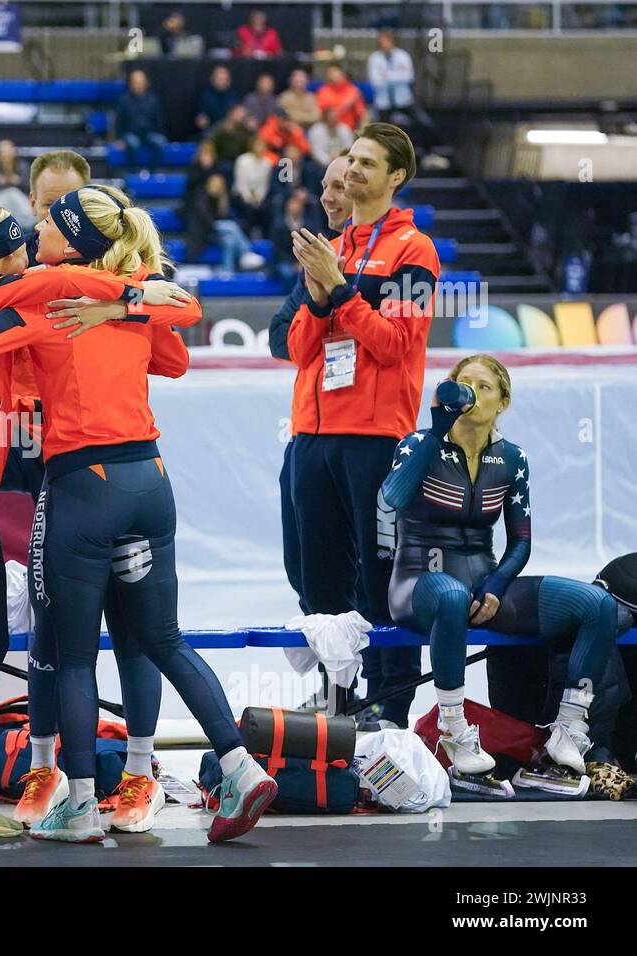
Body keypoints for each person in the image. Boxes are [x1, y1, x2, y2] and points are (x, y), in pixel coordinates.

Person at [0, 186, 278, 844]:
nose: (32, 229)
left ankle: (78, 805)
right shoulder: (127, 283)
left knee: (69, 652)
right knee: (159, 639)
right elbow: (179, 343)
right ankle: (237, 764)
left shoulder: (50, 285)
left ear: (68, 240)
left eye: (44, 221)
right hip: (150, 479)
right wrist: (124, 305)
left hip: (83, 479)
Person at [382, 355, 623, 782]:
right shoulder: (416, 442)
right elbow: (393, 499)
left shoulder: (512, 459)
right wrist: (437, 430)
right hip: (418, 582)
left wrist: (495, 586)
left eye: (484, 387)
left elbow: (521, 542)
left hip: (482, 584)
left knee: (597, 605)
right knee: (452, 597)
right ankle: (453, 728)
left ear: (503, 402)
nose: (472, 394)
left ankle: (568, 729)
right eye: (464, 383)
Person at [283, 124, 438, 729]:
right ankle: (335, 708)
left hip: (375, 438)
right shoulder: (333, 245)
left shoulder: (414, 251)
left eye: (368, 164)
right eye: (352, 163)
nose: (352, 174)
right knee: (320, 586)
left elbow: (396, 343)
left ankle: (389, 716)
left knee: (380, 583)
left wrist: (341, 290)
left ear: (395, 177)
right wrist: (320, 295)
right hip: (312, 434)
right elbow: (299, 347)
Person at [268, 152, 349, 626]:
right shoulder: (320, 255)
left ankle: (371, 690)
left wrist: (332, 309)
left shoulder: (387, 255)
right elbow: (282, 339)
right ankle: (332, 672)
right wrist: (323, 313)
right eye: (324, 185)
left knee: (355, 569)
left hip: (359, 433)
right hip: (308, 431)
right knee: (303, 565)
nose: (326, 196)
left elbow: (386, 342)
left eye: (338, 185)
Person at [181, 140, 257, 271]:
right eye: (214, 185)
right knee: (231, 227)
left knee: (230, 241)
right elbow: (208, 221)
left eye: (219, 186)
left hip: (216, 232)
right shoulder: (202, 197)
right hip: (205, 231)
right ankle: (246, 252)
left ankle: (227, 272)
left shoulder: (222, 199)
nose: (217, 188)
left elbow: (224, 215)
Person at [115, 69, 168, 173]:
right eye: (135, 83)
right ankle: (133, 171)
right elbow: (119, 122)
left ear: (145, 83)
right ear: (130, 84)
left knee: (160, 141)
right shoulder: (123, 100)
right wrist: (119, 139)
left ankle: (153, 171)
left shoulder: (153, 100)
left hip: (149, 134)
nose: (138, 85)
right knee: (133, 143)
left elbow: (159, 121)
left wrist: (159, 133)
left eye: (140, 82)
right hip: (130, 134)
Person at [232, 136, 273, 237]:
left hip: (259, 197)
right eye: (257, 145)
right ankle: (247, 236)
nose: (259, 148)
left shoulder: (267, 163)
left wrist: (259, 198)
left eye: (262, 146)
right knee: (249, 210)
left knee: (266, 208)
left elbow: (264, 184)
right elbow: (241, 183)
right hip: (241, 195)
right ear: (252, 146)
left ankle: (264, 237)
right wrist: (248, 198)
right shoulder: (242, 161)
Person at [367, 29, 415, 116]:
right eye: (382, 42)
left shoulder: (403, 55)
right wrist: (399, 74)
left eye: (387, 41)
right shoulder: (374, 58)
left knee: (423, 124)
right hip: (383, 102)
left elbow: (409, 76)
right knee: (383, 127)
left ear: (392, 42)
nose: (385, 44)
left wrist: (387, 75)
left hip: (403, 99)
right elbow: (375, 82)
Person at [317, 65, 367, 132]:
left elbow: (362, 114)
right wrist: (345, 106)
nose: (333, 75)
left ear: (343, 74)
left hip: (347, 129)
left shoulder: (353, 91)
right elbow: (320, 114)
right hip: (327, 129)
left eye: (336, 72)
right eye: (330, 73)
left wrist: (363, 133)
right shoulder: (323, 91)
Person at [195, 65, 238, 133]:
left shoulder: (233, 95)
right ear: (212, 79)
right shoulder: (205, 97)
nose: (223, 82)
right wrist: (202, 120)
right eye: (220, 79)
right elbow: (201, 118)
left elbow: (238, 113)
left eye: (225, 79)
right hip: (213, 131)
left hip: (231, 130)